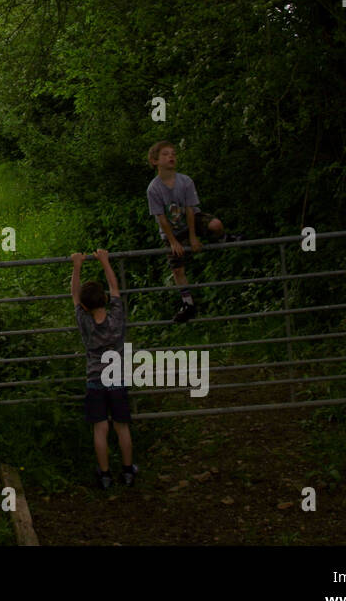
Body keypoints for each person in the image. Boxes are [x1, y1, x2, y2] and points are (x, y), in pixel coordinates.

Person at [71, 249, 138, 489]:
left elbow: (74, 295)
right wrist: (105, 261)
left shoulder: (85, 321)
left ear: (85, 307)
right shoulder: (116, 317)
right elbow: (115, 287)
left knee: (100, 428)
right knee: (122, 427)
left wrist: (77, 265)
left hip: (95, 381)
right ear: (105, 300)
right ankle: (128, 471)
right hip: (117, 379)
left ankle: (105, 475)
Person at [145, 141, 229, 323]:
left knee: (215, 224)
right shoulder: (153, 188)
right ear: (155, 161)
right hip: (171, 230)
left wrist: (193, 236)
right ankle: (187, 303)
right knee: (177, 267)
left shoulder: (185, 181)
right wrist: (174, 241)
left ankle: (223, 238)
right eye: (166, 154)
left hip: (191, 221)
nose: (171, 156)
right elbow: (161, 218)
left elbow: (191, 210)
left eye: (173, 153)